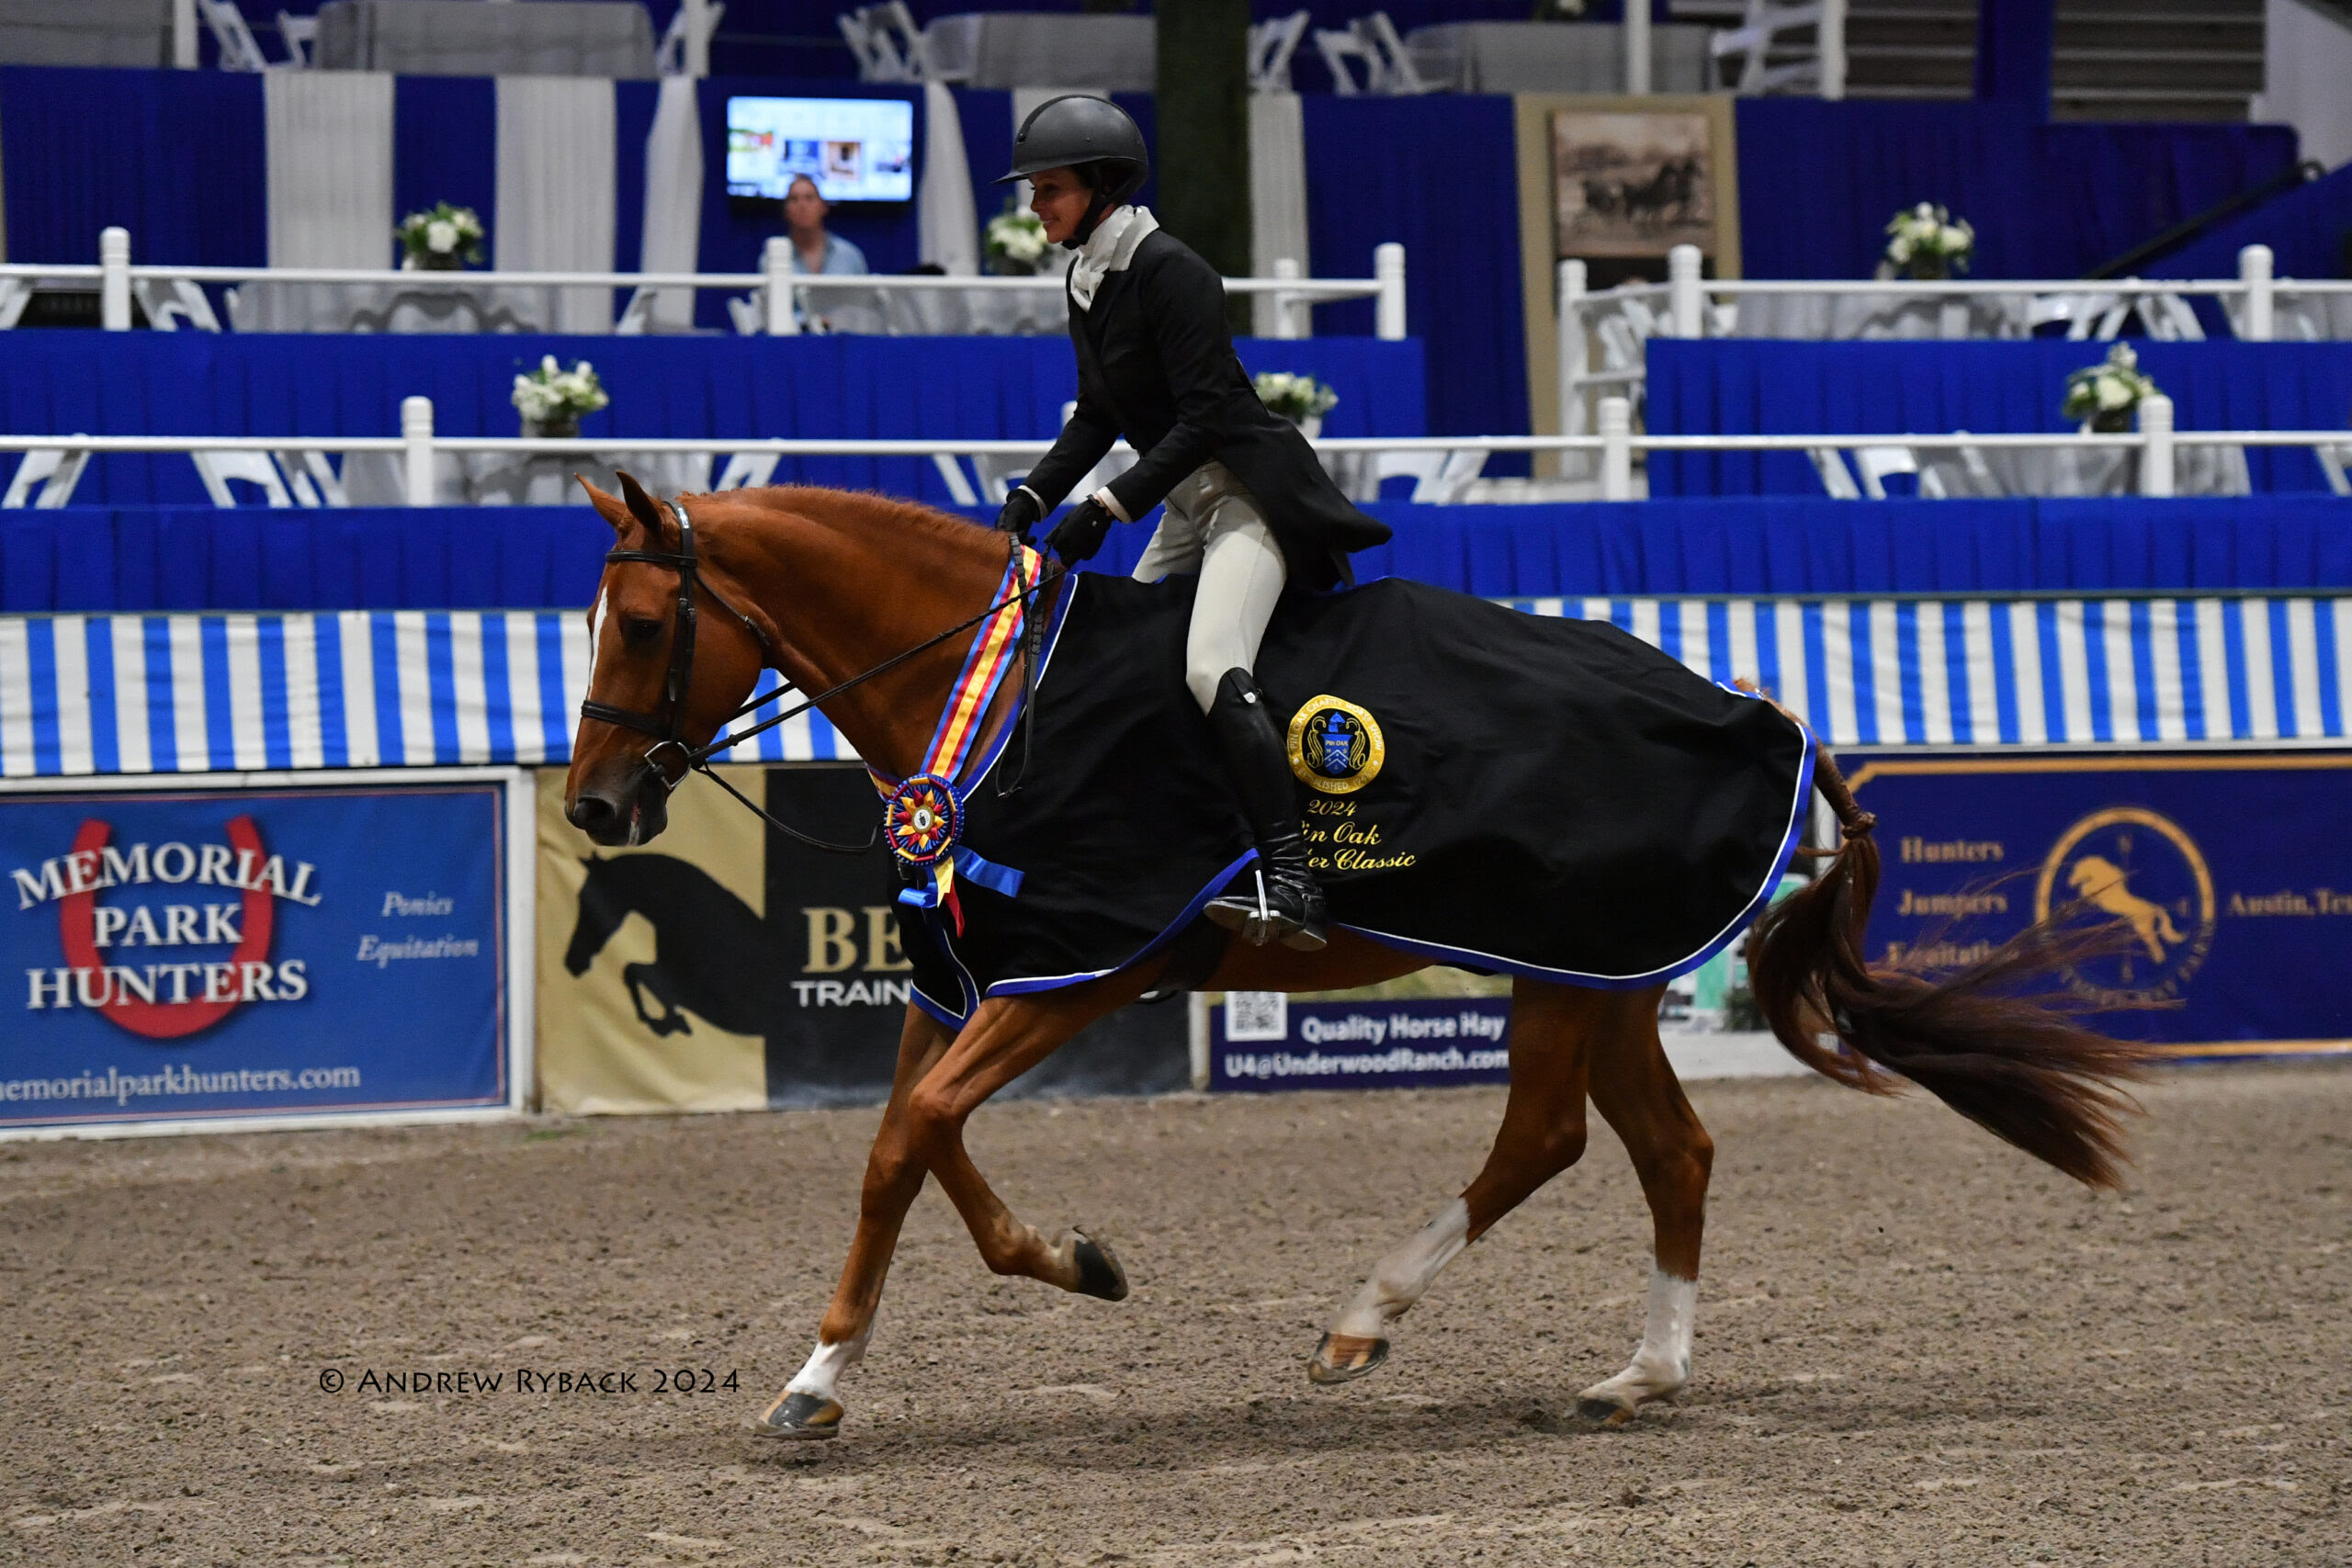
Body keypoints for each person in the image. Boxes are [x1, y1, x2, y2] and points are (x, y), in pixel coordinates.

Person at [989, 95, 1392, 953]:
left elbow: (1208, 416)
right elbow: (1098, 413)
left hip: (1249, 492)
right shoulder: (1086, 275)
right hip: (1183, 498)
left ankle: (1292, 877)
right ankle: (1172, 854)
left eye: (1049, 190)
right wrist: (1032, 497)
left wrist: (1105, 508)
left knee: (1211, 663)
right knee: (1129, 666)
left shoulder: (1175, 271)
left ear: (1100, 188)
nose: (1036, 207)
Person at [783, 175, 867, 276]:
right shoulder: (773, 257)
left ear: (823, 207)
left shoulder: (849, 255)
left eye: (809, 198)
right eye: (794, 199)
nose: (802, 206)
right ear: (786, 210)